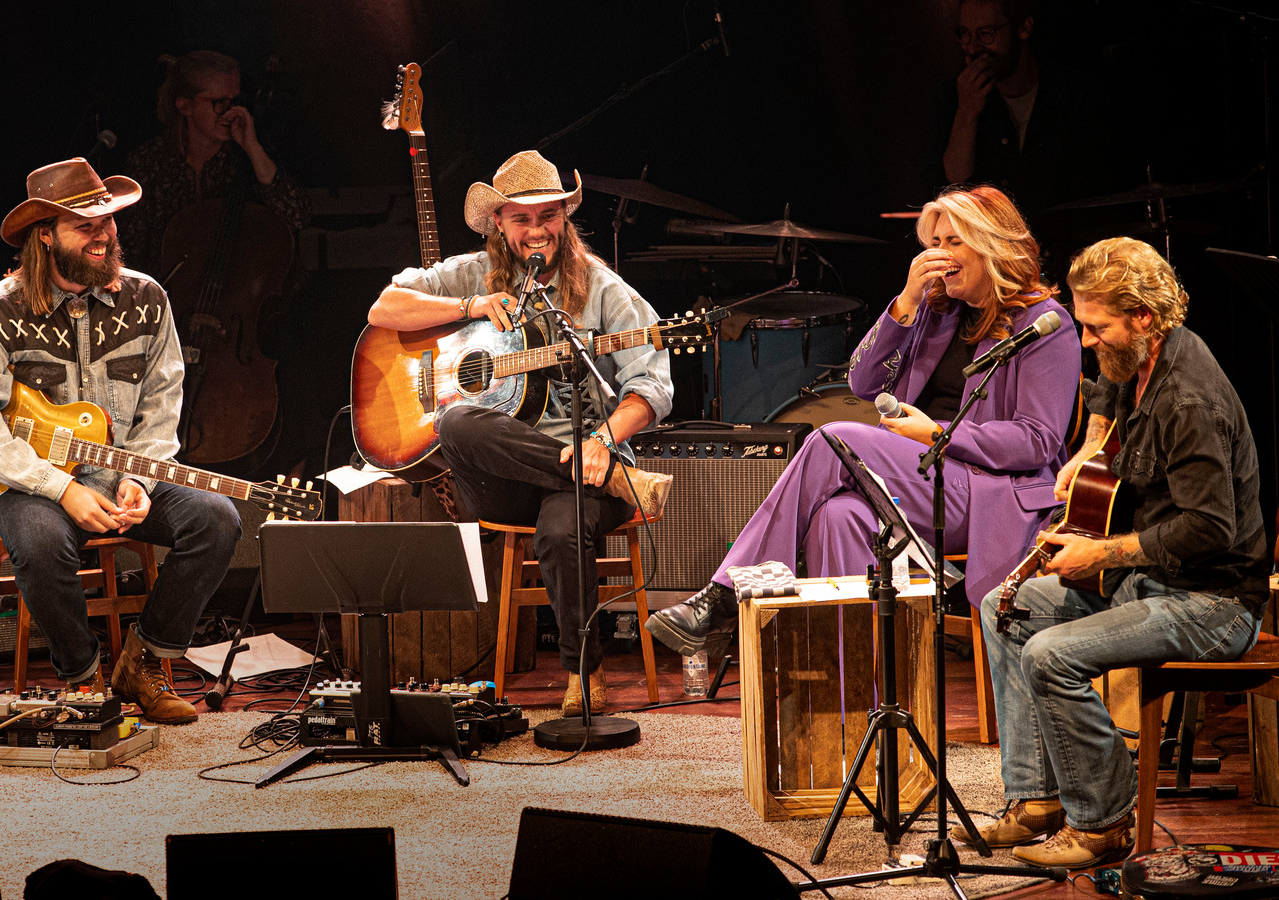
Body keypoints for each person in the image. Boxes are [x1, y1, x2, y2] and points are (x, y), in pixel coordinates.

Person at [645, 185, 1081, 656]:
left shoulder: (1045, 325)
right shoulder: (937, 312)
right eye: (935, 243)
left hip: (990, 493)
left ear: (992, 245)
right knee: (838, 516)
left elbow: (1037, 441)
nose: (940, 254)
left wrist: (937, 433)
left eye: (955, 242)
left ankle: (726, 595)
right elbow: (863, 382)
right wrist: (906, 302)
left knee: (832, 439)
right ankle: (853, 683)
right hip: (919, 477)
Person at [957, 237, 1267, 868]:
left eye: (1098, 328)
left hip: (1212, 603)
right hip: (1152, 581)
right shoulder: (1138, 358)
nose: (1087, 340)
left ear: (1143, 317)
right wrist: (1088, 454)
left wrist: (1099, 555)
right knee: (1004, 607)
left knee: (1050, 653)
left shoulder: (1189, 401)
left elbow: (1210, 529)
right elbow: (1105, 395)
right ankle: (1037, 800)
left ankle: (1103, 822)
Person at [367, 150, 674, 717]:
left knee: (560, 530)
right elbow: (384, 308)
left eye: (548, 216)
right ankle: (616, 480)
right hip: (505, 480)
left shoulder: (603, 290)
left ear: (565, 217)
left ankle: (584, 671)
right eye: (522, 218)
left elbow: (651, 387)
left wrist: (601, 442)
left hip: (587, 470)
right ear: (498, 223)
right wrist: (471, 305)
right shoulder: (469, 273)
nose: (537, 230)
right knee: (455, 421)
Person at [0, 158, 241, 724]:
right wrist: (60, 489)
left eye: (107, 220)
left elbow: (162, 403)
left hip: (120, 473)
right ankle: (85, 681)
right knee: (39, 542)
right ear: (45, 235)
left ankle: (143, 662)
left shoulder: (148, 299)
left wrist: (139, 478)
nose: (103, 234)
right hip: (29, 486)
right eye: (85, 225)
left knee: (217, 518)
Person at [120, 50, 310, 278]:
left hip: (244, 287)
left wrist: (253, 149)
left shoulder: (249, 153)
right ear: (185, 106)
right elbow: (131, 249)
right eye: (220, 103)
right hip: (172, 292)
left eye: (235, 101)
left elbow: (298, 215)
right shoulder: (148, 161)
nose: (231, 113)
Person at [923, 0, 1105, 221]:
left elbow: (1094, 194)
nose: (972, 48)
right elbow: (950, 191)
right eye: (965, 34)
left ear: (1023, 28)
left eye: (986, 33)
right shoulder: (953, 97)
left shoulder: (1076, 95)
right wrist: (967, 112)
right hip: (987, 238)